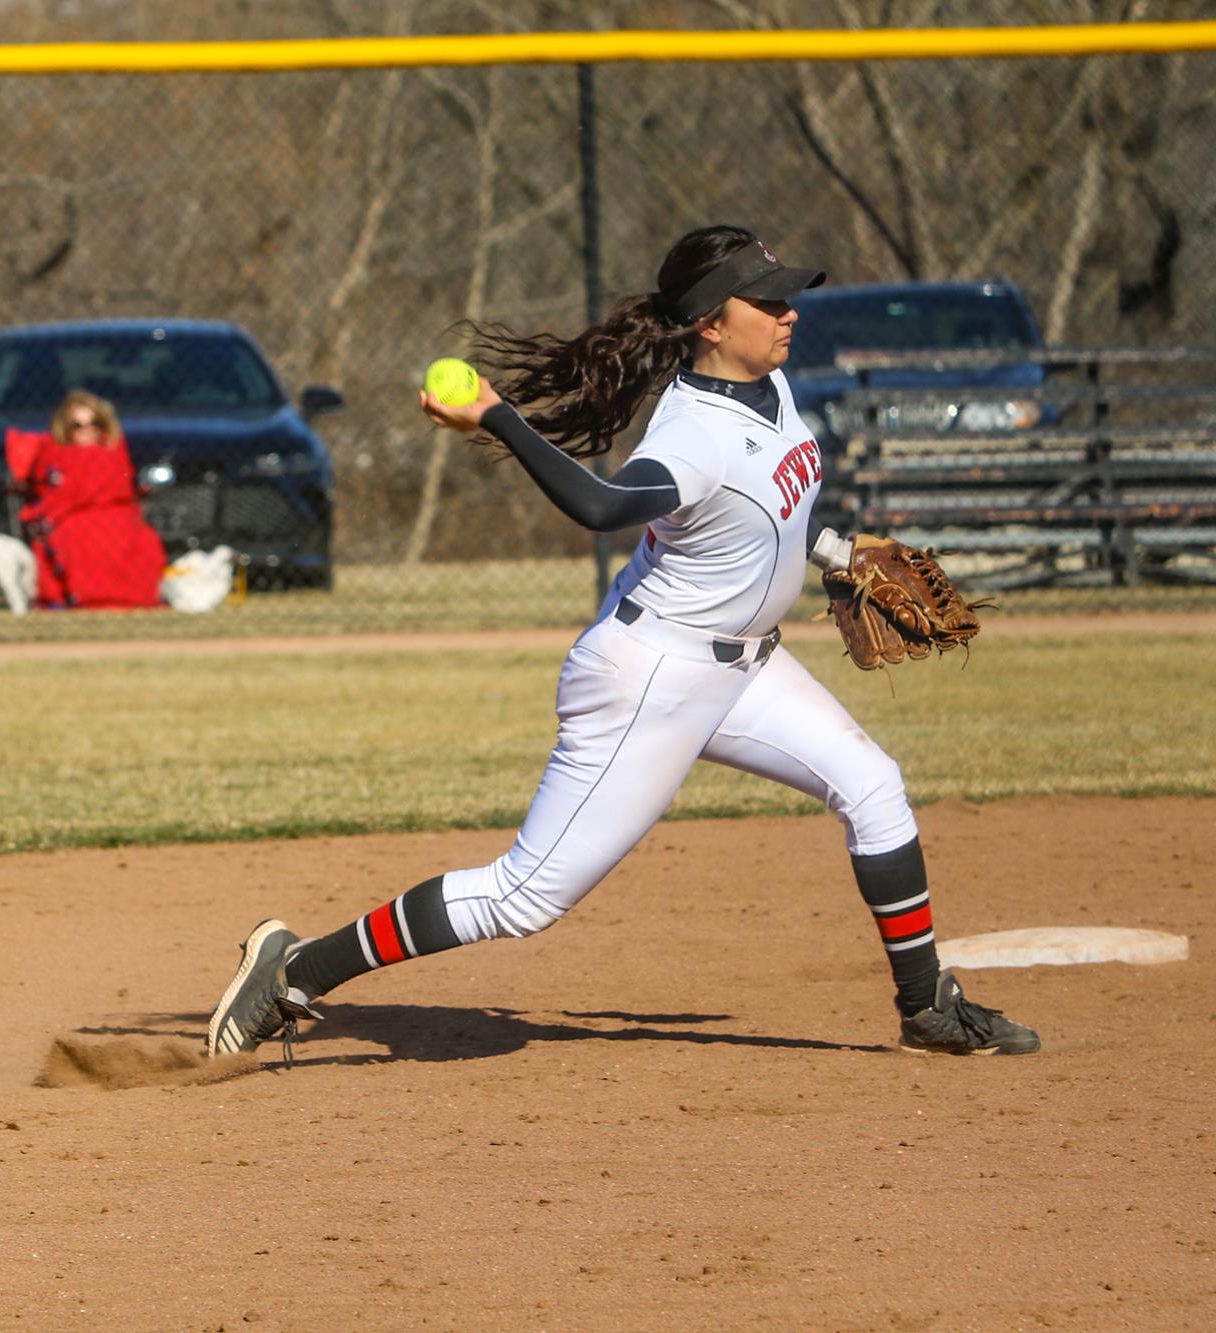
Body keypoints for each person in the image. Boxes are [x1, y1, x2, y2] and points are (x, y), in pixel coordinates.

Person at [205, 226, 1039, 1061]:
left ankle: (926, 1006)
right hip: (653, 678)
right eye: (768, 298)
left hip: (745, 666)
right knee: (523, 897)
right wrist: (498, 415)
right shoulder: (694, 435)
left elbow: (782, 506)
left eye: (786, 293)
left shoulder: (772, 384)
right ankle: (295, 970)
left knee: (873, 785)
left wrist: (834, 556)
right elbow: (604, 507)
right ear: (711, 323)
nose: (789, 311)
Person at [7, 389, 168, 609]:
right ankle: (83, 597)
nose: (87, 430)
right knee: (76, 536)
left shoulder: (112, 449)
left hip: (114, 512)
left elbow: (122, 489)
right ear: (66, 427)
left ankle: (130, 598)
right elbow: (53, 493)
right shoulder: (55, 452)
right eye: (78, 425)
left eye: (94, 424)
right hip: (70, 515)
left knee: (141, 538)